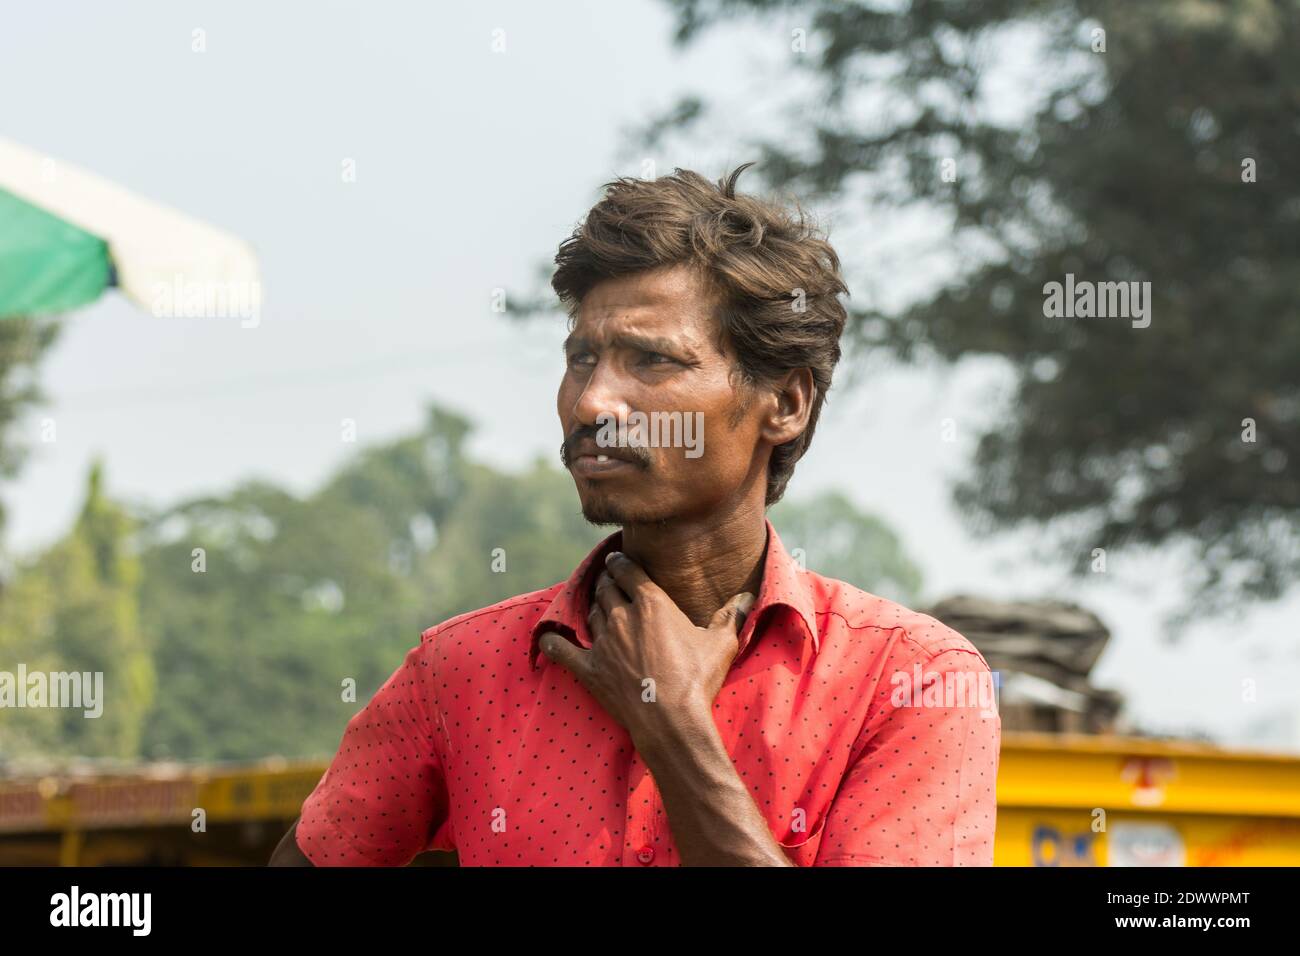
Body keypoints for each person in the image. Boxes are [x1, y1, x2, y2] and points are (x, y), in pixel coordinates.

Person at [270, 164, 999, 867]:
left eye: (651, 361)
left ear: (785, 402)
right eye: (582, 358)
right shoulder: (460, 674)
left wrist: (674, 728)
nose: (592, 404)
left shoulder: (911, 681)